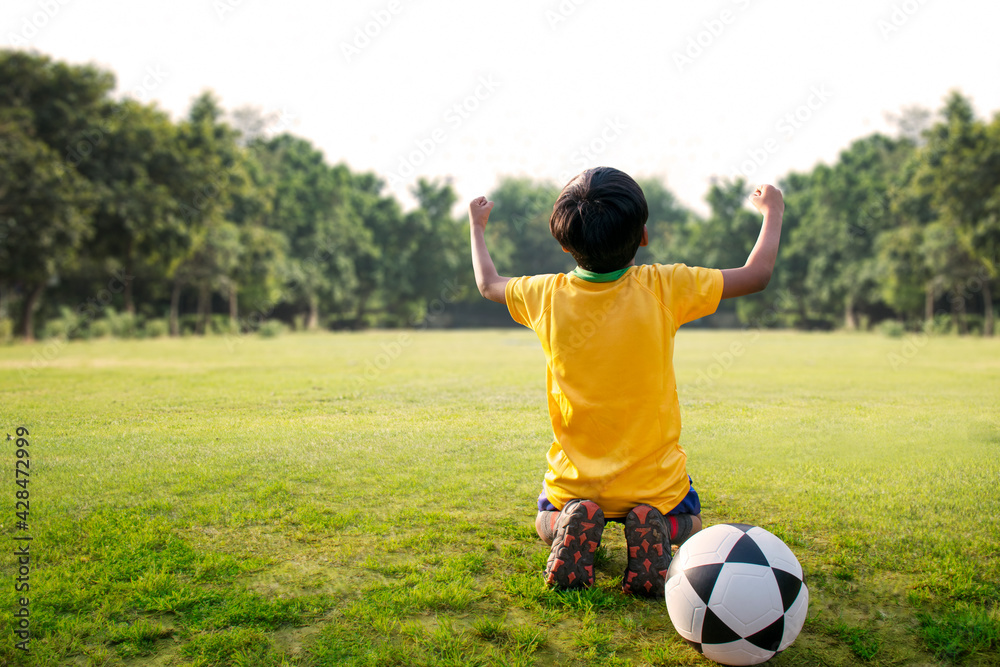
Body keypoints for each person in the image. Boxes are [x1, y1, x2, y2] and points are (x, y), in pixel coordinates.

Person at [468, 167, 783, 596]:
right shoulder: (665, 286)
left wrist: (477, 227)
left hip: (576, 482)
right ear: (643, 236)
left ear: (564, 244)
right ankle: (656, 528)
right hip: (655, 484)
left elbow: (488, 284)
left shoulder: (543, 295)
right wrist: (773, 211)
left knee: (545, 521)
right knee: (693, 523)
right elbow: (756, 274)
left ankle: (571, 522)